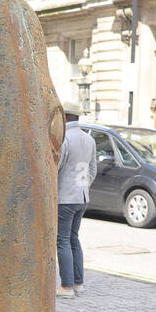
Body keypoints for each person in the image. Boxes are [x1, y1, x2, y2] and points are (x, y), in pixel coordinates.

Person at [56, 114, 97, 298]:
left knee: (62, 240)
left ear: (63, 117)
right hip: (82, 196)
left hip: (65, 196)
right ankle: (79, 283)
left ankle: (66, 286)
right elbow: (92, 170)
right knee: (74, 239)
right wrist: (84, 186)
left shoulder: (65, 138)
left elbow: (56, 167)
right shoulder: (89, 138)